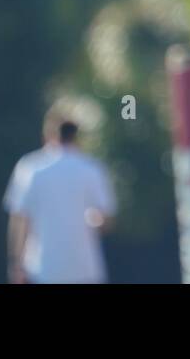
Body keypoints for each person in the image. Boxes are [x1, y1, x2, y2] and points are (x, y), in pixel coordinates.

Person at [7, 120, 116, 284]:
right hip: (84, 269)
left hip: (43, 269)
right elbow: (106, 221)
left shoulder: (30, 168)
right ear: (76, 137)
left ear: (48, 135)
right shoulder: (92, 169)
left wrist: (16, 264)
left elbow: (20, 219)